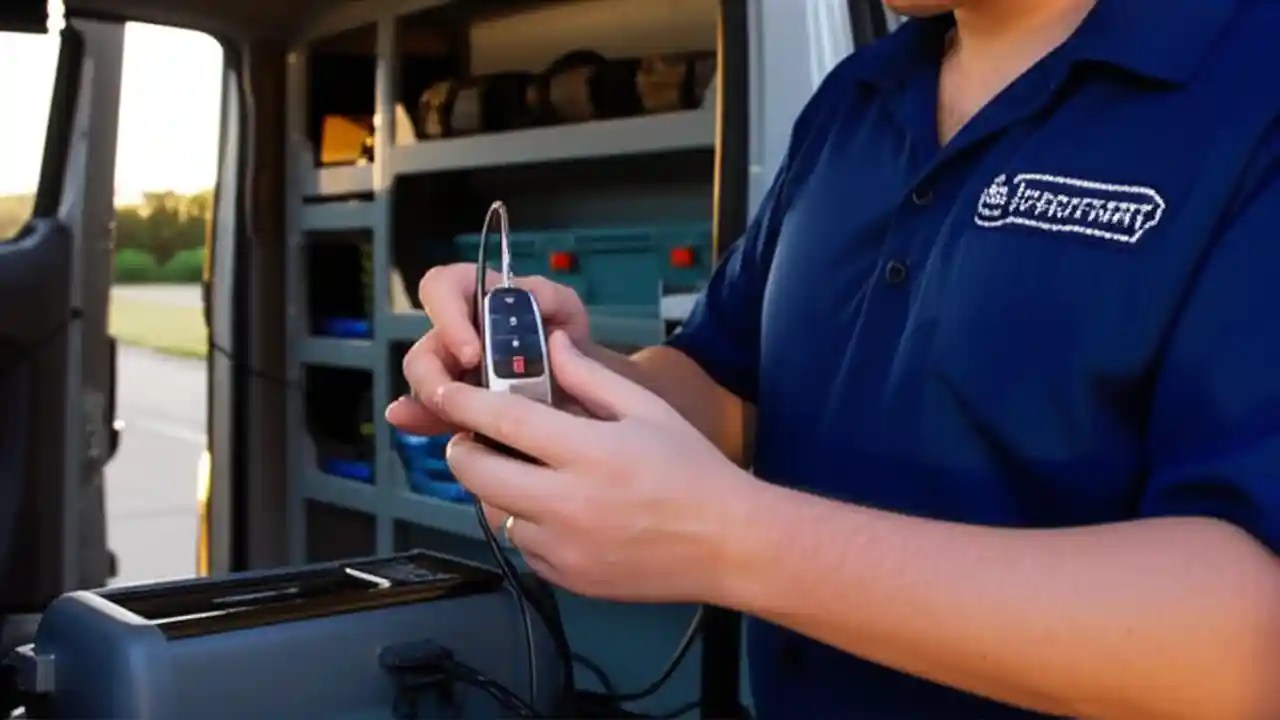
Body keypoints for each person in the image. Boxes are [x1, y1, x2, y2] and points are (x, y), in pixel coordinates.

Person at [387, 0, 1280, 716]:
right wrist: (566, 376)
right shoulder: (858, 96)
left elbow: (1251, 650)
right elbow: (732, 381)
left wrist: (734, 543)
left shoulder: (1250, 87)